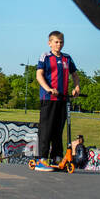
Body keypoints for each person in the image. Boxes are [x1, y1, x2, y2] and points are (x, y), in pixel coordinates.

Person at [36, 31, 79, 164]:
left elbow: (75, 74)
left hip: (63, 99)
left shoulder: (67, 58)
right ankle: (42, 157)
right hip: (48, 98)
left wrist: (76, 87)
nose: (59, 44)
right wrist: (48, 89)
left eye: (61, 42)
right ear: (50, 43)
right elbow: (39, 75)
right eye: (56, 42)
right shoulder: (46, 56)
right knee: (46, 129)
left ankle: (57, 156)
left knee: (58, 129)